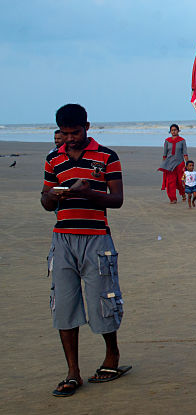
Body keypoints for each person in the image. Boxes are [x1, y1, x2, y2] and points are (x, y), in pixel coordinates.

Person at [41, 104, 130, 397]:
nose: (70, 139)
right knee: (64, 305)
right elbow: (46, 201)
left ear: (87, 127)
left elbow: (116, 200)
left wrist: (88, 192)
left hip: (96, 237)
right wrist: (52, 196)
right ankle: (72, 372)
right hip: (63, 239)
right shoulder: (53, 159)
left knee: (102, 299)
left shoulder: (107, 157)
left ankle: (112, 356)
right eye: (65, 134)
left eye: (75, 132)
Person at [159, 124, 188, 204]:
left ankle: (183, 194)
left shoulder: (182, 140)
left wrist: (187, 164)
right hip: (169, 164)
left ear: (178, 131)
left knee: (180, 181)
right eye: (172, 130)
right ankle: (173, 199)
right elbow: (164, 154)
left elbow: (185, 153)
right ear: (170, 131)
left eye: (175, 130)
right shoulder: (167, 141)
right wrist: (164, 164)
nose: (173, 131)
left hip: (180, 164)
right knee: (170, 182)